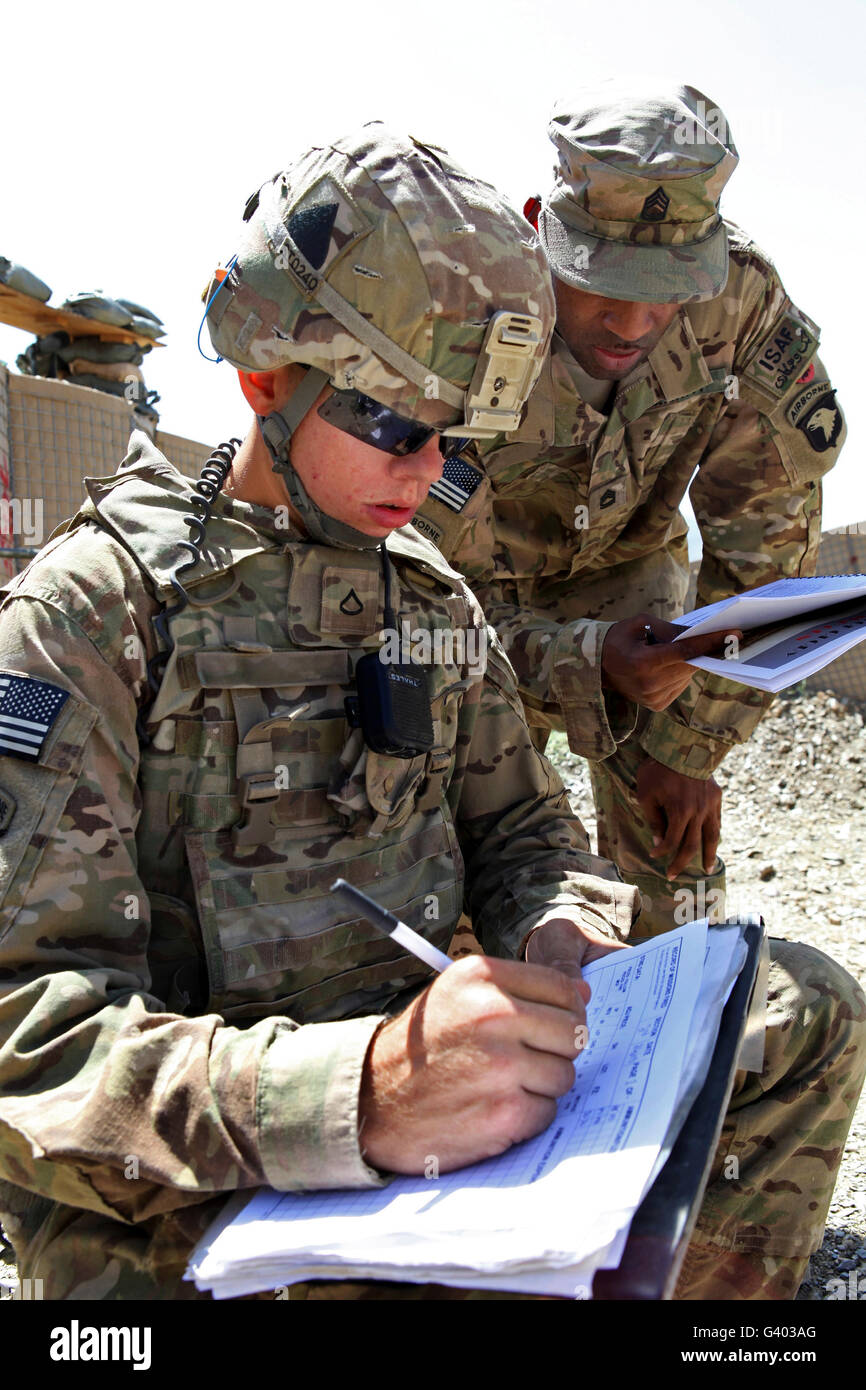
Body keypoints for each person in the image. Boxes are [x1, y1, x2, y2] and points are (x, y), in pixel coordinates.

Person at [0, 124, 861, 1304]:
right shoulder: (92, 618)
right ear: (265, 378)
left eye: (454, 439)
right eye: (395, 428)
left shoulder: (427, 596)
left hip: (449, 1133)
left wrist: (564, 930)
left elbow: (525, 835)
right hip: (211, 1188)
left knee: (801, 1009)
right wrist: (353, 1094)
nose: (422, 474)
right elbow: (23, 1034)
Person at [414, 84, 848, 938]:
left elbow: (771, 556)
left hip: (627, 579)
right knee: (443, 883)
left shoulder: (742, 311)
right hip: (457, 607)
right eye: (603, 283)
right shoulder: (460, 309)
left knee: (676, 887)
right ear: (543, 226)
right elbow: (398, 582)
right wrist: (577, 662)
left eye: (669, 289)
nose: (635, 320)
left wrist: (691, 747)